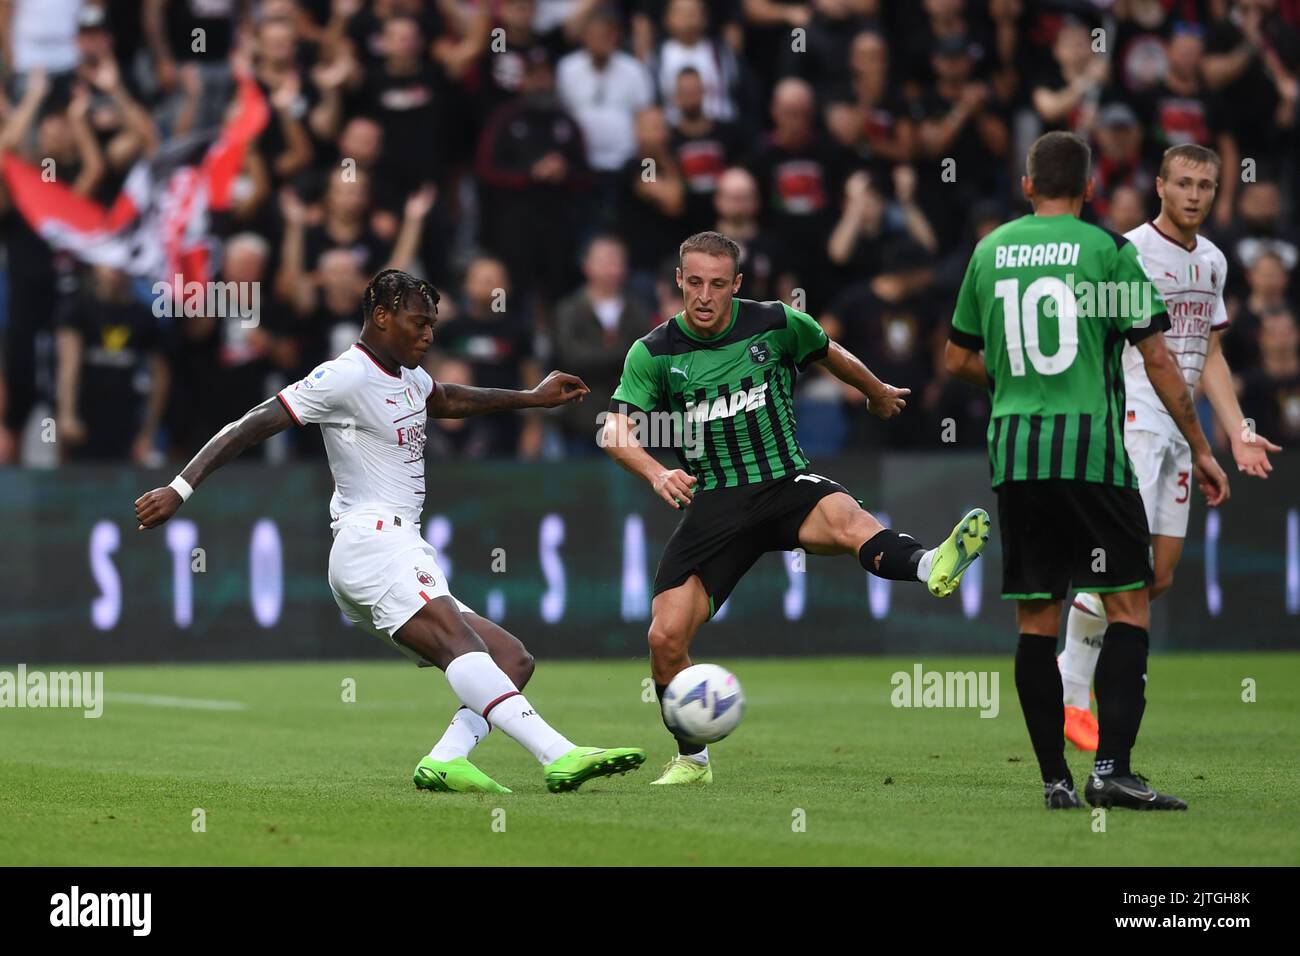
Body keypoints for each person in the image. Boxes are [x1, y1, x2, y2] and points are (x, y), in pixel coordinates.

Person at [134, 270, 646, 794]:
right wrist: (180, 488)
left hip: (399, 546)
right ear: (382, 317)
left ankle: (447, 759)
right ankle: (558, 754)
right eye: (418, 323)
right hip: (371, 542)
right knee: (459, 643)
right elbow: (249, 424)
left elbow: (448, 399)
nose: (428, 335)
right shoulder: (344, 376)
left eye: (432, 325)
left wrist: (532, 398)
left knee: (512, 658)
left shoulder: (408, 377)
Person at [601, 230, 990, 786]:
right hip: (716, 504)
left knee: (851, 521)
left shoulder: (777, 323)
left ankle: (932, 564)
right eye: (693, 283)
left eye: (717, 284)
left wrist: (877, 390)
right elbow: (615, 431)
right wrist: (657, 470)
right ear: (678, 282)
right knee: (664, 640)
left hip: (784, 482)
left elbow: (830, 352)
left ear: (736, 284)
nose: (704, 296)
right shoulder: (654, 352)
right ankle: (693, 759)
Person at [944, 131, 1230, 811]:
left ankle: (1054, 780)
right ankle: (1112, 770)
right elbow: (1159, 361)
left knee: (1035, 622)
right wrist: (1203, 444)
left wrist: (1011, 382)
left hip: (1017, 456)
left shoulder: (989, 250)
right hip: (1093, 455)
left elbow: (956, 360)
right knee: (1131, 602)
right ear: (1091, 189)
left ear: (1026, 185)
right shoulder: (1108, 251)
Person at [1058, 144, 1281, 753]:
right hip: (1132, 417)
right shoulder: (1125, 253)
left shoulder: (1211, 262)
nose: (1194, 195)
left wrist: (1235, 429)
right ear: (1159, 185)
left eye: (1206, 186)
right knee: (1121, 567)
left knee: (1156, 575)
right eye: (1182, 183)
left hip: (1183, 429)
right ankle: (1074, 689)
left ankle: (1072, 676)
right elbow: (1090, 336)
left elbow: (1208, 352)